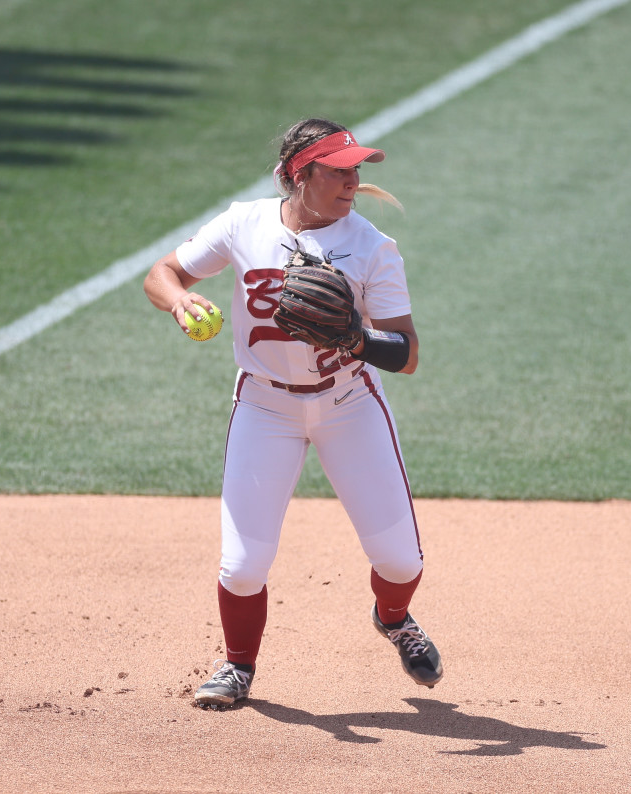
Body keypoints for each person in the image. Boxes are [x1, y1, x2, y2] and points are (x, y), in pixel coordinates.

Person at [143, 118, 441, 709]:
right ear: (300, 175)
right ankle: (237, 666)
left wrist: (356, 339)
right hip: (265, 404)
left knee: (400, 561)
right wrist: (179, 302)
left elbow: (406, 354)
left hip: (348, 402)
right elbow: (162, 274)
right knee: (242, 567)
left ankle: (393, 617)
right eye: (340, 171)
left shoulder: (372, 247)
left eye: (357, 170)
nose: (353, 182)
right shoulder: (243, 224)